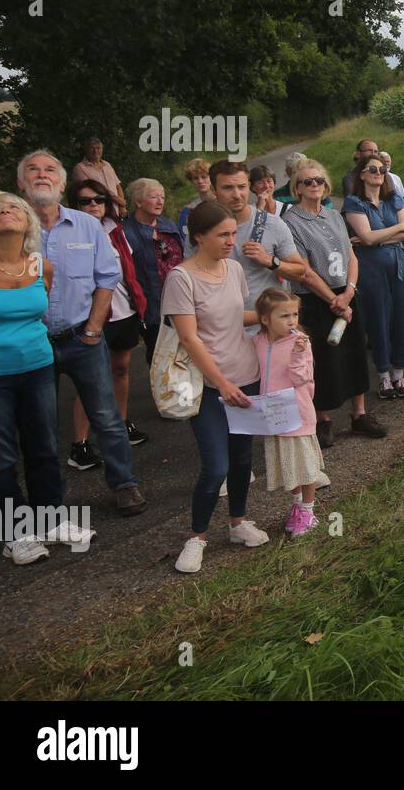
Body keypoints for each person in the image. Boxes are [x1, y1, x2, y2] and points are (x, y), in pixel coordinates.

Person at [18, 150, 146, 515]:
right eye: (33, 169)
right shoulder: (10, 228)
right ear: (20, 183)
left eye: (49, 170)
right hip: (32, 344)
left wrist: (93, 327)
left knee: (106, 416)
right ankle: (49, 501)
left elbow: (108, 276)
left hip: (82, 338)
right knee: (39, 424)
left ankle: (124, 485)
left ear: (60, 183)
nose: (42, 174)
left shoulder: (87, 225)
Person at [165, 201, 270, 572]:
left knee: (243, 459)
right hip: (209, 386)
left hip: (247, 375)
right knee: (215, 466)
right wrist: (221, 382)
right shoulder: (181, 278)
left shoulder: (235, 269)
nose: (231, 240)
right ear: (199, 237)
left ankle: (238, 523)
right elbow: (190, 338)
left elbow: (235, 317)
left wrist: (277, 319)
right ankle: (197, 537)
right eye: (223, 235)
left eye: (233, 233)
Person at [0, 192, 87, 564]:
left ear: (28, 222)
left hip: (37, 368)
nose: (4, 211)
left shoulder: (41, 266)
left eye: (13, 207)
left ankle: (49, 520)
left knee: (44, 448)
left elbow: (36, 314)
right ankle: (14, 533)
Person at [281, 158, 386, 448]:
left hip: (346, 292)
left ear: (326, 186)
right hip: (315, 299)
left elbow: (351, 256)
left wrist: (349, 293)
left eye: (319, 181)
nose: (314, 185)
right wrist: (334, 299)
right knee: (323, 359)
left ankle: (359, 414)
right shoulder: (290, 222)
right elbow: (303, 270)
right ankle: (323, 419)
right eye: (307, 182)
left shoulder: (334, 216)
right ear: (297, 188)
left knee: (355, 351)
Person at [66, 179, 149, 461]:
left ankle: (123, 423)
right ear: (74, 205)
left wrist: (139, 304)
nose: (93, 205)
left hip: (122, 311)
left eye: (99, 200)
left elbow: (129, 270)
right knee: (90, 379)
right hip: (91, 315)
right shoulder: (70, 234)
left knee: (121, 370)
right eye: (85, 201)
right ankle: (80, 444)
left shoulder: (116, 230)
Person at [252, 289, 325, 536]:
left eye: (294, 314)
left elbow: (302, 378)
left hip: (299, 413)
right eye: (284, 316)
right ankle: (296, 506)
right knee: (288, 466)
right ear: (265, 319)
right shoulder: (258, 341)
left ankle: (308, 510)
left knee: (304, 464)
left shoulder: (300, 343)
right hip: (274, 416)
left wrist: (296, 355)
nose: (292, 321)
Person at [343, 153, 404, 399]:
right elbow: (368, 237)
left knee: (402, 317)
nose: (378, 173)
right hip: (371, 268)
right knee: (378, 318)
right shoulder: (354, 202)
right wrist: (395, 229)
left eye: (382, 169)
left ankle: (399, 373)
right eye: (372, 169)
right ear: (361, 173)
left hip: (398, 265)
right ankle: (384, 376)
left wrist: (375, 237)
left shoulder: (393, 197)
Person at [204, 160, 306, 329]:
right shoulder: (203, 228)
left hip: (268, 330)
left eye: (242, 187)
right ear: (214, 190)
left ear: (249, 186)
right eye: (228, 188)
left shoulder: (273, 224)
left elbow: (300, 272)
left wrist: (270, 261)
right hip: (221, 329)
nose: (237, 194)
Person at [121, 177, 185, 363]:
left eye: (162, 197)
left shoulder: (169, 225)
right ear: (138, 201)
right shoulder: (126, 232)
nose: (160, 201)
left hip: (180, 299)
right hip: (152, 305)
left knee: (186, 350)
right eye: (153, 197)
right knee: (160, 356)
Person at [71, 137, 126, 218]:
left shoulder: (107, 165)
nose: (95, 151)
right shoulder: (80, 168)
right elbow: (90, 190)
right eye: (92, 148)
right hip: (97, 213)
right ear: (86, 149)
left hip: (116, 212)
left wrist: (122, 207)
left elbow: (118, 186)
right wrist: (118, 200)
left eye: (98, 148)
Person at [178, 157, 215, 230]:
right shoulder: (188, 210)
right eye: (195, 178)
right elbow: (184, 236)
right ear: (191, 181)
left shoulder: (224, 202)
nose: (200, 181)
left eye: (204, 177)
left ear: (211, 178)